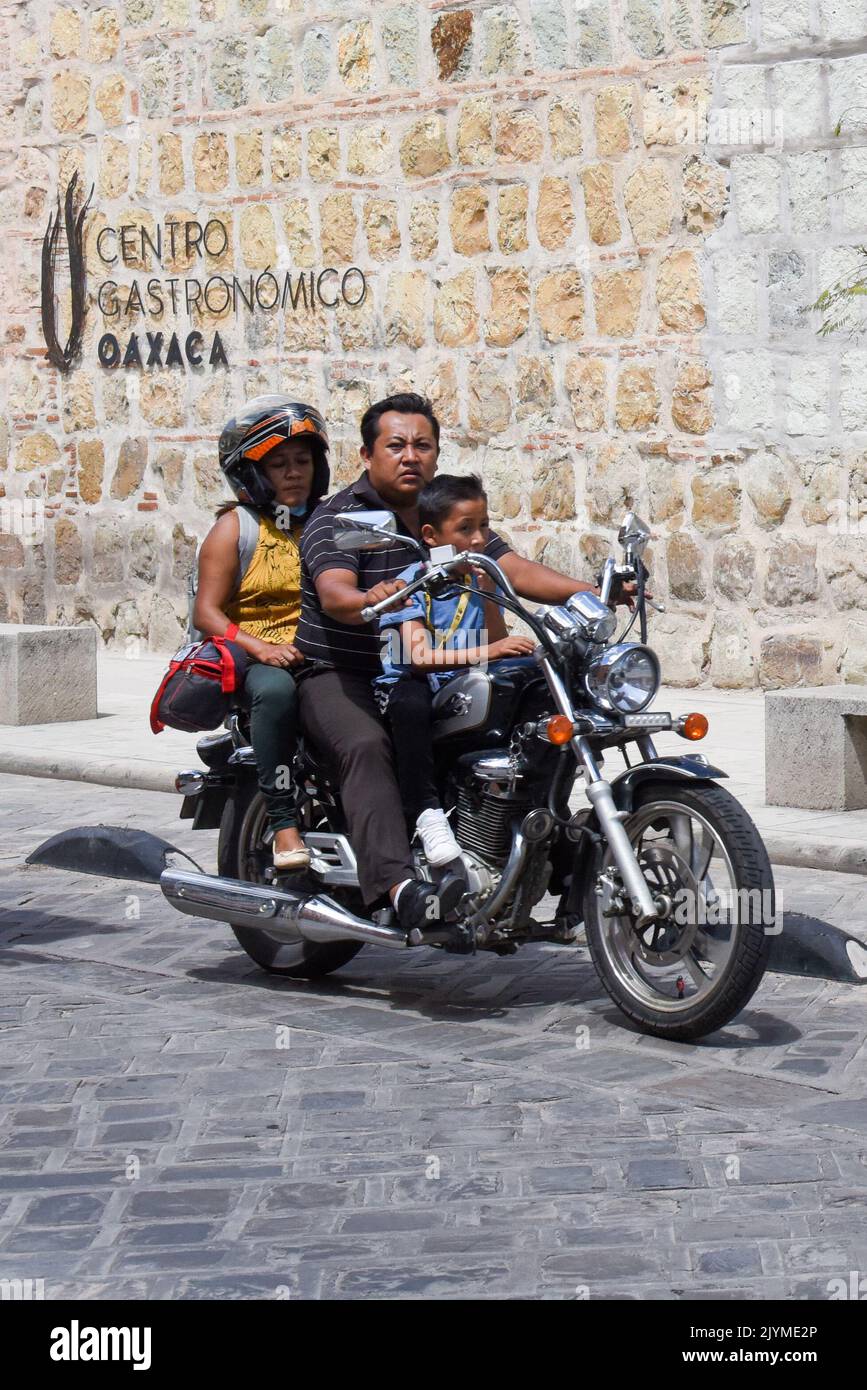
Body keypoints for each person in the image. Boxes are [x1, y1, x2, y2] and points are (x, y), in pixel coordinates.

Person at [294, 391, 605, 932]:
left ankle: (540, 839)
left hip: (440, 666)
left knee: (538, 705)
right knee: (366, 745)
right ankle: (400, 887)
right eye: (396, 446)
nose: (410, 456)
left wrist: (592, 592)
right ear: (366, 454)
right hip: (345, 672)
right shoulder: (340, 518)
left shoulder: (447, 514)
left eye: (423, 446)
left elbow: (511, 568)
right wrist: (369, 597)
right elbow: (335, 592)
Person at [194, 395, 329, 871]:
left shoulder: (329, 522)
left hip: (319, 651)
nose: (294, 473)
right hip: (252, 654)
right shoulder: (235, 529)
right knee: (275, 693)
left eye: (302, 461)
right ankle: (284, 823)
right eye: (279, 464)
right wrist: (262, 648)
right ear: (252, 473)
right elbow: (206, 613)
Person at [376, 473, 535, 867]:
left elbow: (497, 641)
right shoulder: (412, 583)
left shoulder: (477, 581)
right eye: (465, 529)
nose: (479, 539)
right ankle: (426, 812)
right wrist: (492, 649)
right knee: (410, 705)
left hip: (460, 681)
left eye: (484, 526)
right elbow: (419, 657)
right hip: (414, 682)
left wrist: (491, 596)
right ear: (431, 536)